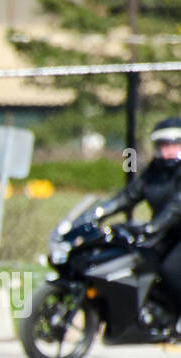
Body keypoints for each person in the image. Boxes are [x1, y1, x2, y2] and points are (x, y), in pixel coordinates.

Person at [76, 116, 181, 321]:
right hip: (163, 233)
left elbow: (176, 207)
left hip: (176, 233)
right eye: (162, 144)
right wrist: (100, 212)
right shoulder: (154, 171)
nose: (167, 150)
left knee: (170, 270)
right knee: (135, 261)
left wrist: (153, 227)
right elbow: (129, 195)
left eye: (173, 144)